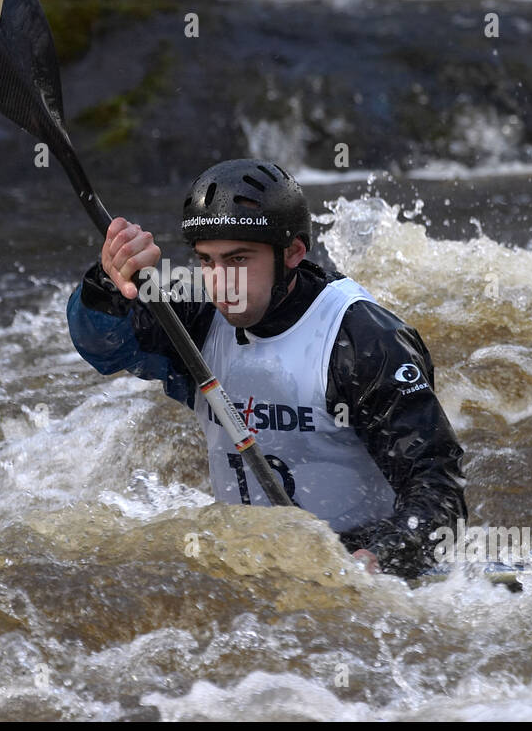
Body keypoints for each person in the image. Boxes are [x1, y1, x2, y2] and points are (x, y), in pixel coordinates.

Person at [65, 157, 467, 578]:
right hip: (245, 570)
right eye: (207, 261)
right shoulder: (197, 320)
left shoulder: (363, 341)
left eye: (238, 260)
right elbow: (102, 346)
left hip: (359, 572)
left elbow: (437, 484)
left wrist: (382, 557)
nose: (219, 283)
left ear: (292, 252)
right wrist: (107, 283)